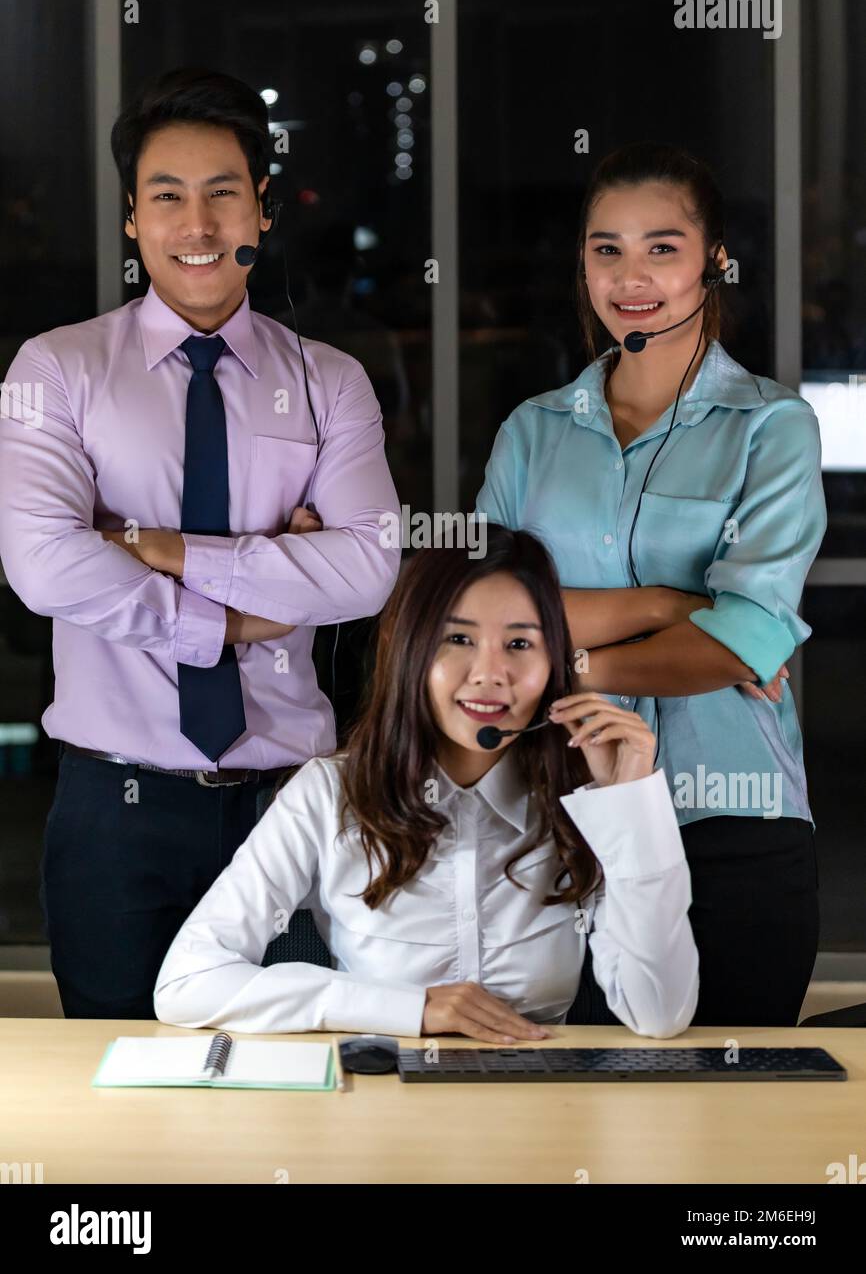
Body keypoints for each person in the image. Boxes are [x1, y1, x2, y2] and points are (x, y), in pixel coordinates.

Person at [0, 67, 400, 1019]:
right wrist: (230, 622)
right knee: (123, 1102)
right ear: (133, 219)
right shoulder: (57, 370)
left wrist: (152, 545)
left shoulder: (330, 382)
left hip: (292, 809)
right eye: (166, 196)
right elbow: (44, 561)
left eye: (224, 192)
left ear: (261, 206)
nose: (198, 223)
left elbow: (369, 567)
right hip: (116, 814)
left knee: (303, 1095)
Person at [476, 143, 827, 1026]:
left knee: (739, 1137)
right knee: (569, 1131)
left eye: (662, 248)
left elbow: (740, 640)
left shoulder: (772, 427)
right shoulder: (534, 432)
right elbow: (480, 613)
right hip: (558, 825)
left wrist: (558, 666)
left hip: (734, 823)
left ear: (714, 261)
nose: (632, 277)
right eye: (607, 249)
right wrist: (677, 608)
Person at [154, 526, 698, 1041]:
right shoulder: (328, 793)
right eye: (459, 638)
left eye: (519, 645)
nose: (489, 674)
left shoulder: (588, 798)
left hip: (539, 1106)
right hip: (381, 1097)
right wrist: (413, 1010)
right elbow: (188, 981)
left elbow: (659, 1013)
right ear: (406, 644)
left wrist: (631, 801)